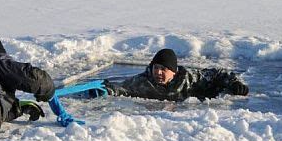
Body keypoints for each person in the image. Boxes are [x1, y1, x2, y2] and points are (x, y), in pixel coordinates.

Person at [104, 48, 249, 101]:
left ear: (173, 72)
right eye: (156, 68)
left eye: (163, 69)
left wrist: (235, 83)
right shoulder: (143, 81)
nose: (158, 72)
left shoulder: (187, 78)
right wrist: (107, 89)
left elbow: (217, 73)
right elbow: (123, 88)